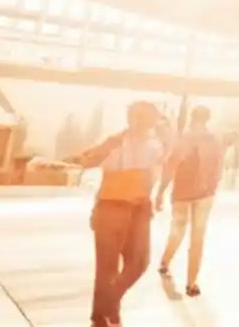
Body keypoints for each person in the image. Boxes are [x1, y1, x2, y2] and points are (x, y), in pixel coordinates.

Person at [68, 101, 168, 327]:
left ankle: (107, 305)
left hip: (140, 207)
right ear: (136, 118)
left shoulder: (154, 144)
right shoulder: (115, 142)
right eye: (149, 118)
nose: (152, 122)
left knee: (139, 262)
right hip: (113, 206)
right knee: (107, 267)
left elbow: (157, 166)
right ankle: (103, 318)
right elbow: (91, 164)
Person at [155, 106, 223, 297]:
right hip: (205, 194)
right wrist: (211, 186)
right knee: (198, 238)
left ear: (192, 118)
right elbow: (218, 168)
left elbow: (171, 165)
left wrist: (160, 191)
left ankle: (165, 262)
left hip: (182, 194)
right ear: (208, 118)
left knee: (177, 231)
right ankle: (191, 283)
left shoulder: (184, 139)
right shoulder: (213, 141)